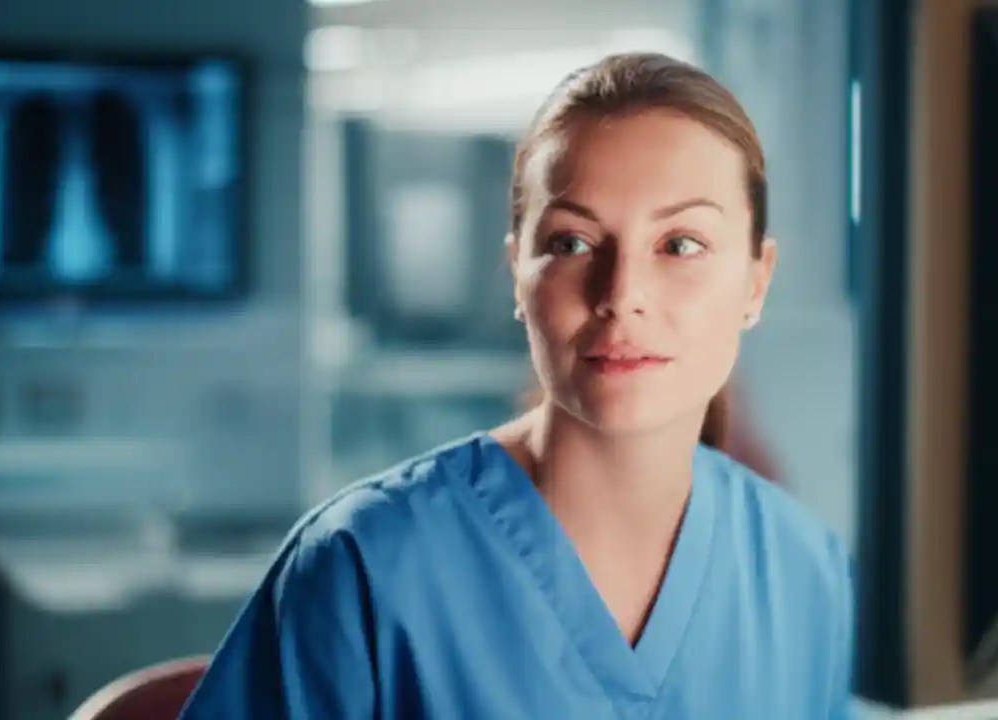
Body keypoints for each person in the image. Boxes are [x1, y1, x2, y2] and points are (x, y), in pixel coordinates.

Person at [180, 52, 853, 718]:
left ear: (756, 281)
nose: (622, 296)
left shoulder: (805, 571)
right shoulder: (365, 566)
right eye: (573, 244)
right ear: (516, 274)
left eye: (680, 245)